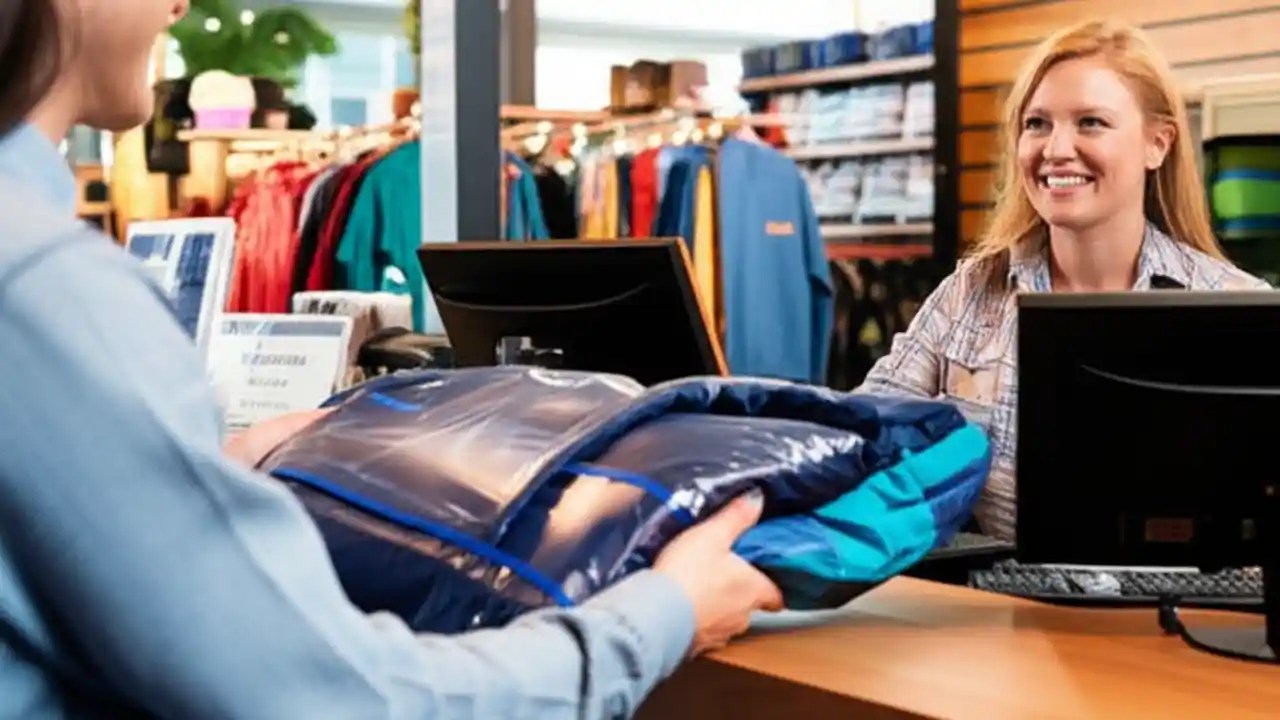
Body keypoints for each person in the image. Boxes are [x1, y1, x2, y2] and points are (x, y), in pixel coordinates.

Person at [0, 1, 782, 718]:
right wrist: (658, 617)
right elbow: (322, 698)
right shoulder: (49, 283)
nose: (176, 2)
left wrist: (202, 469)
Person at [857, 19, 1269, 542]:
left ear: (1157, 145)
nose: (1055, 148)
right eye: (1037, 124)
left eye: (1091, 122)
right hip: (997, 614)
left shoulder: (1236, 307)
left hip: (1175, 616)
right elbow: (867, 431)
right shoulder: (973, 292)